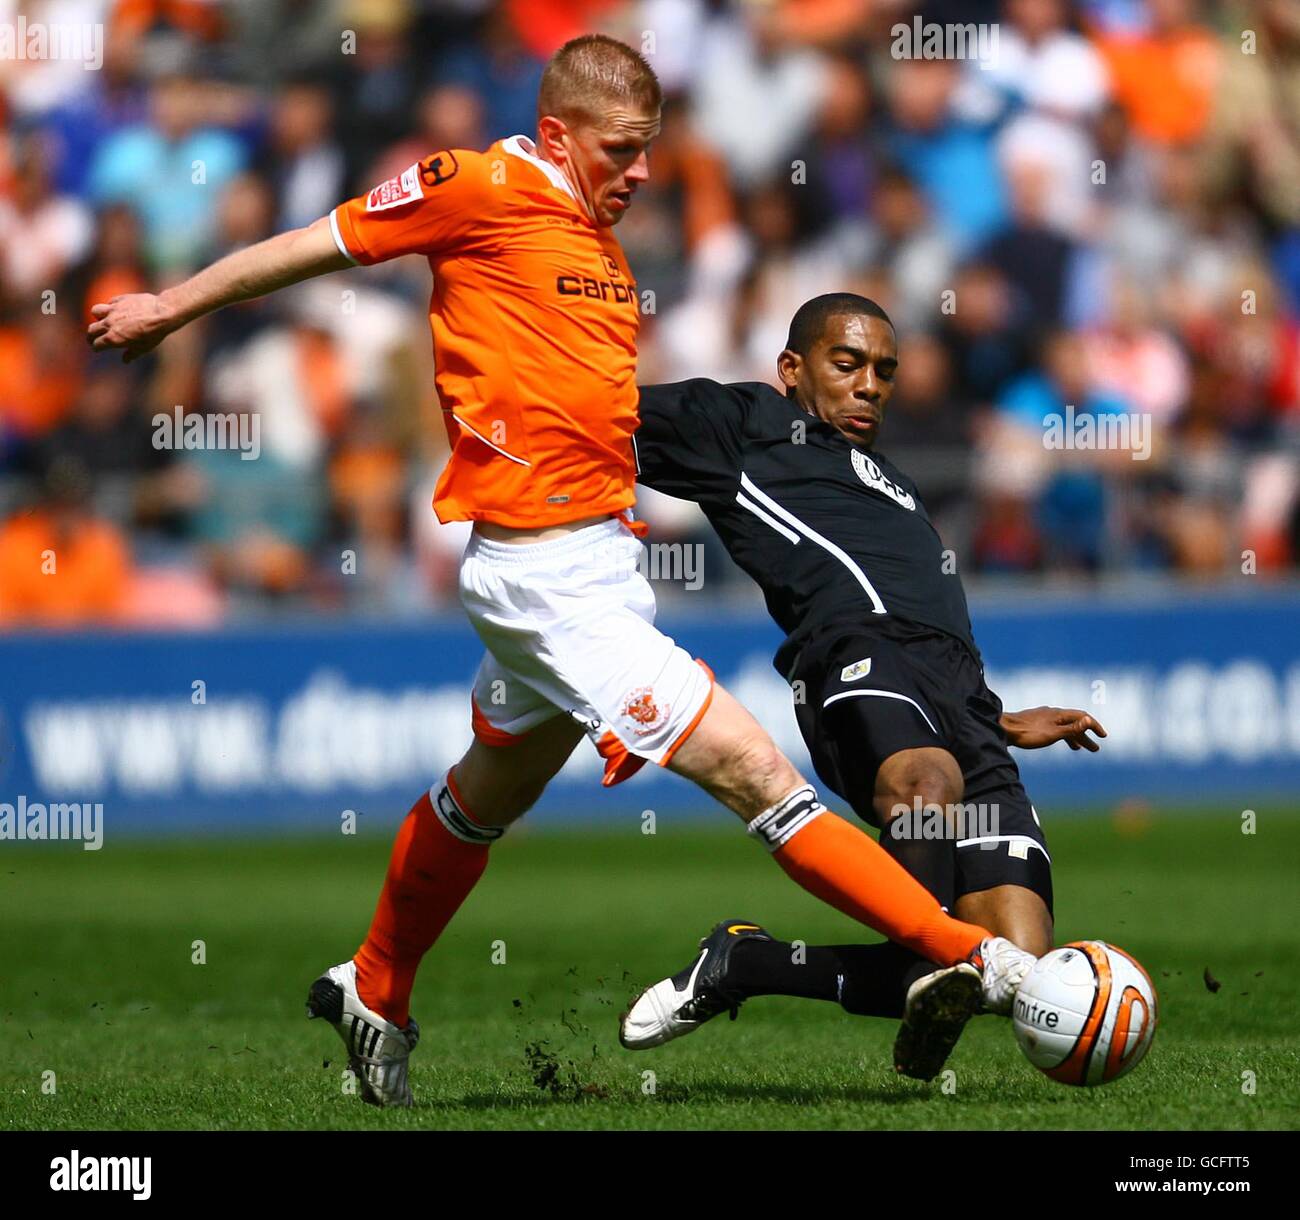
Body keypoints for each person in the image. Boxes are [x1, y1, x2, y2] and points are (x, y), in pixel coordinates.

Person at [87, 41, 1029, 1108]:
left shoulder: (601, 248)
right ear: (555, 135)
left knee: (482, 795)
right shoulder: (477, 186)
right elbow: (323, 242)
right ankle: (975, 956)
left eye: (648, 154)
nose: (638, 173)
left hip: (599, 562)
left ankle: (374, 983)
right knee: (758, 776)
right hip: (542, 574)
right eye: (620, 152)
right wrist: (172, 304)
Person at [624, 293, 1106, 1079]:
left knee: (1017, 964)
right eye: (846, 364)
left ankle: (749, 964)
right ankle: (922, 964)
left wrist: (997, 718)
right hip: (851, 660)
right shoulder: (743, 425)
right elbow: (601, 411)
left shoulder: (894, 480)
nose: (869, 384)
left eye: (884, 370)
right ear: (793, 369)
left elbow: (930, 613)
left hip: (960, 698)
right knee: (925, 782)